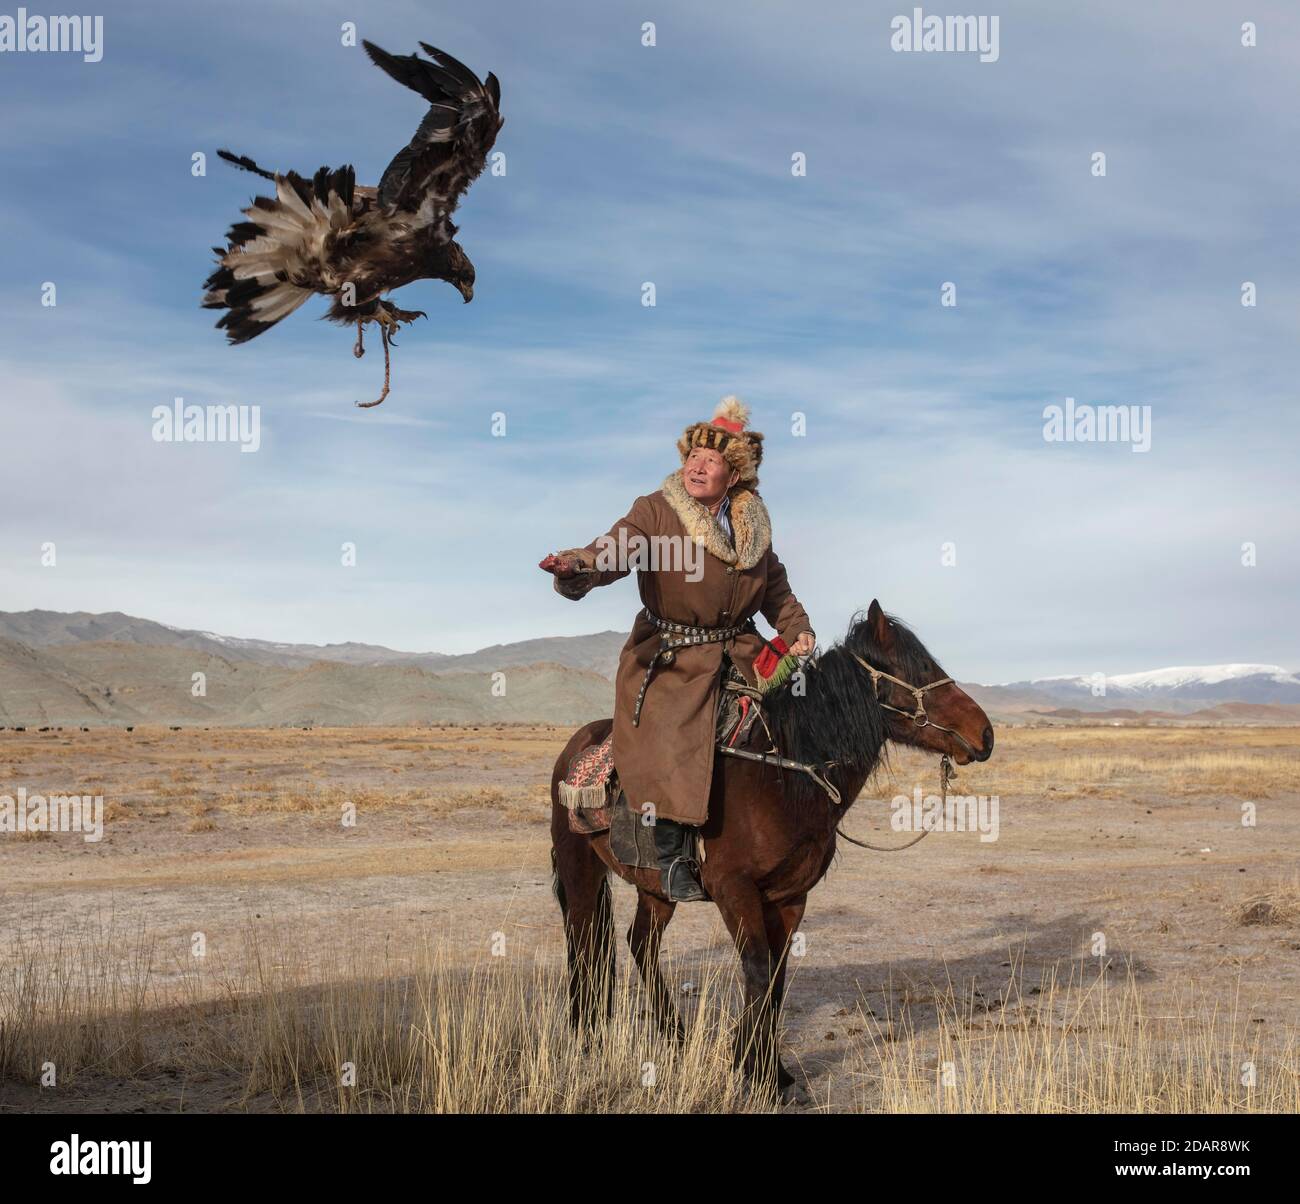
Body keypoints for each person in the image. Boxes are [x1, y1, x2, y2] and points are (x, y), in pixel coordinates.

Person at [540, 397, 814, 901]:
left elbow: (775, 589)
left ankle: (789, 839)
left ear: (734, 475)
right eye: (693, 456)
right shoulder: (656, 512)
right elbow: (614, 548)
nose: (697, 465)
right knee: (674, 736)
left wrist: (796, 629)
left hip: (742, 651)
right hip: (669, 657)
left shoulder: (753, 525)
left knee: (797, 721)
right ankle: (669, 855)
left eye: (711, 460)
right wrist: (578, 564)